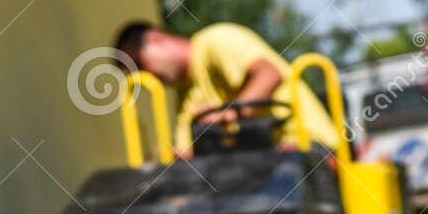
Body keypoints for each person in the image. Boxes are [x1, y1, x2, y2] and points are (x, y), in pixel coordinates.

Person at [113, 20, 339, 158]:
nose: (146, 76)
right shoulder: (187, 101)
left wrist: (230, 112)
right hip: (271, 164)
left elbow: (269, 74)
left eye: (141, 64)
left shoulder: (215, 40)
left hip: (309, 151)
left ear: (156, 39)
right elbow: (189, 154)